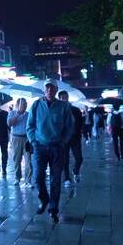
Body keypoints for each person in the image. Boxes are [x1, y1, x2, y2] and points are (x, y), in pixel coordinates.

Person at [26, 79, 74, 224]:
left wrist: (63, 141)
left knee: (55, 179)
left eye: (52, 88)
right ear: (44, 90)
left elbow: (69, 126)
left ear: (56, 89)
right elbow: (30, 126)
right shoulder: (36, 105)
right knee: (38, 176)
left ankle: (53, 209)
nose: (49, 90)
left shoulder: (63, 106)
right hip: (40, 146)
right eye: (47, 88)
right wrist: (34, 141)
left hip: (57, 147)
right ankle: (44, 199)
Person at [58, 90, 84, 185]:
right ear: (60, 99)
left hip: (75, 137)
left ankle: (75, 171)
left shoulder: (76, 110)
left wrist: (81, 133)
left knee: (79, 158)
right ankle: (67, 178)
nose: (64, 99)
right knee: (65, 159)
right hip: (63, 139)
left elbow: (81, 124)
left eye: (66, 97)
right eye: (62, 98)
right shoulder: (58, 111)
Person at [7, 97, 33, 186]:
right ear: (18, 105)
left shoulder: (28, 114)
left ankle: (28, 180)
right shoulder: (12, 113)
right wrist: (18, 114)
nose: (24, 106)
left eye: (25, 104)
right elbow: (9, 123)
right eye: (23, 104)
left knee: (28, 160)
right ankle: (17, 178)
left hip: (27, 139)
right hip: (16, 138)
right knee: (16, 159)